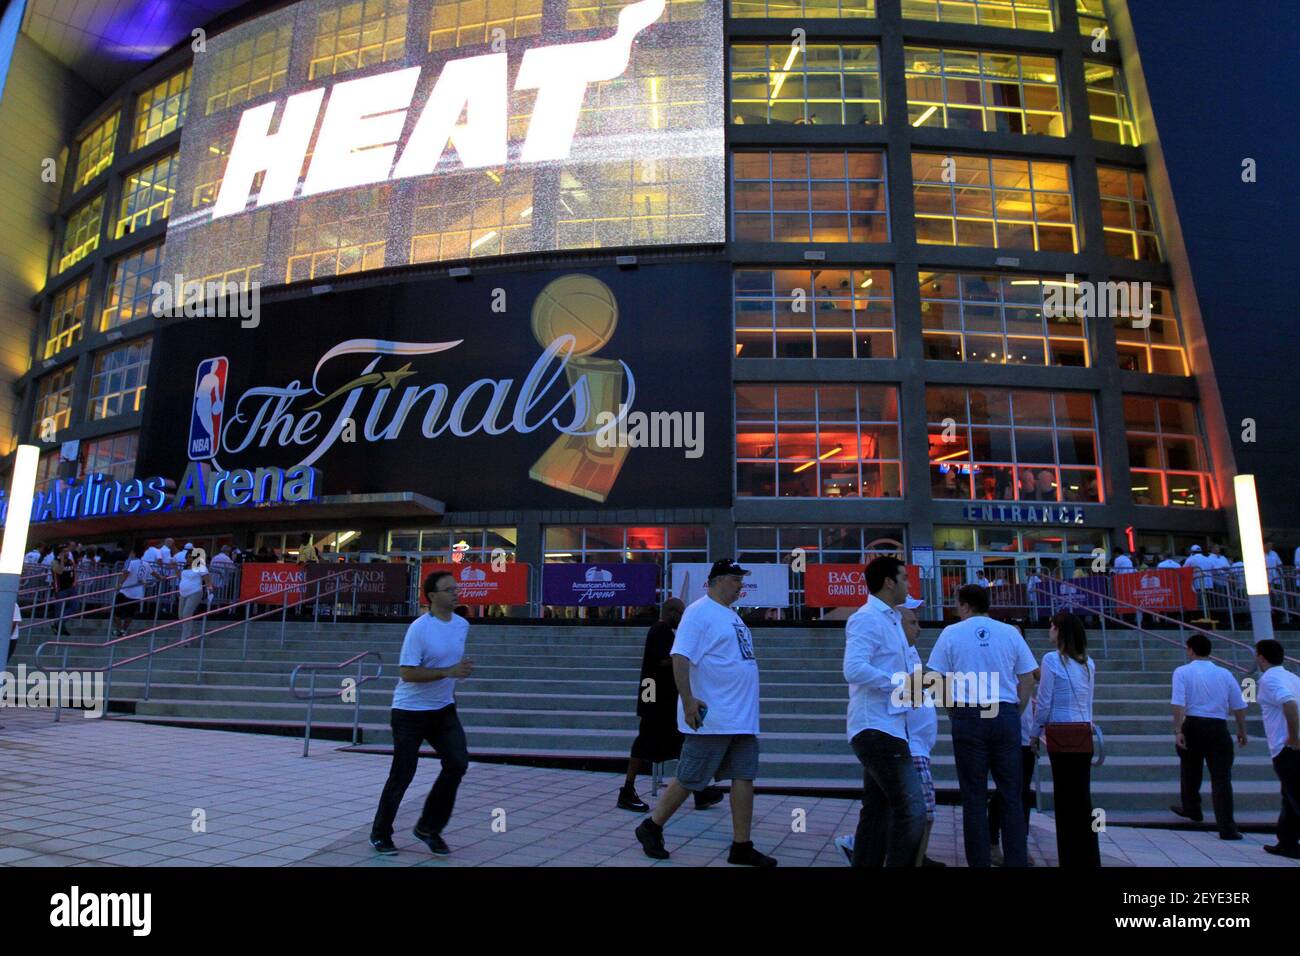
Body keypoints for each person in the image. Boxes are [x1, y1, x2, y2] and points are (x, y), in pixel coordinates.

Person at [633, 559, 776, 866]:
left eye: (742, 580)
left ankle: (741, 845)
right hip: (714, 715)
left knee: (744, 775)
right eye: (736, 579)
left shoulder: (731, 616)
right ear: (718, 580)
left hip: (742, 717)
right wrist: (687, 700)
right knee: (690, 777)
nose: (741, 585)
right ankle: (651, 826)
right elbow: (680, 656)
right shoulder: (699, 612)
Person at [927, 584, 1038, 867]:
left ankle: (979, 861)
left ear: (964, 605)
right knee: (1011, 794)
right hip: (1004, 714)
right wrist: (1016, 709)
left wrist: (951, 710)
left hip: (969, 715)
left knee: (973, 796)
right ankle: (1016, 861)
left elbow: (935, 678)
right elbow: (1028, 678)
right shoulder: (1009, 633)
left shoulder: (951, 633)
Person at [370, 571, 472, 856]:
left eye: (456, 588)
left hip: (443, 710)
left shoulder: (462, 625)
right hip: (409, 712)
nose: (456, 592)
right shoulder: (419, 628)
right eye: (449, 589)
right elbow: (407, 672)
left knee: (457, 763)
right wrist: (447, 672)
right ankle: (380, 833)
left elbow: (451, 665)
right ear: (432, 596)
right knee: (403, 773)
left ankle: (428, 827)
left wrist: (454, 681)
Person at [835, 558, 926, 867]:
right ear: (889, 582)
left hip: (889, 726)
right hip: (876, 729)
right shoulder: (867, 618)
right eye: (905, 578)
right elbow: (854, 668)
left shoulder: (891, 621)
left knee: (877, 812)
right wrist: (899, 684)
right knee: (913, 810)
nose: (909, 584)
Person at [617, 597, 724, 813]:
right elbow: (663, 661)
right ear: (672, 613)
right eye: (681, 614)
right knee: (647, 742)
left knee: (681, 743)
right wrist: (687, 657)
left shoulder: (662, 632)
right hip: (656, 699)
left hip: (658, 697)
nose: (684, 618)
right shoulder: (660, 631)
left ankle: (699, 792)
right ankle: (627, 790)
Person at [1031, 612, 1100, 866]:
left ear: (1060, 631)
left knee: (1065, 799)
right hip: (1082, 733)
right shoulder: (1087, 663)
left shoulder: (1051, 660)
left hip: (1060, 732)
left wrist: (1035, 732)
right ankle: (1089, 857)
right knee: (1083, 798)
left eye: (1052, 626)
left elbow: (1046, 701)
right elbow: (1089, 702)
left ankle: (1069, 857)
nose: (1049, 630)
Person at [1169, 634, 1246, 839]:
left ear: (1191, 650)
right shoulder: (1225, 673)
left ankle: (1192, 807)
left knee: (1190, 770)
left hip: (1193, 724)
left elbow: (1178, 703)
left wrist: (1178, 730)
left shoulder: (1182, 672)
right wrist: (1241, 730)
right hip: (1218, 726)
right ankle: (1227, 826)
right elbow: (1238, 705)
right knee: (1221, 778)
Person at [990, 623, 1039, 867]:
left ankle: (1021, 842)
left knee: (1022, 792)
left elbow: (1034, 694)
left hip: (1024, 735)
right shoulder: (998, 662)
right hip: (1004, 731)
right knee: (1004, 792)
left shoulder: (1026, 666)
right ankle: (993, 842)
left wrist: (1036, 732)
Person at [1254, 640, 1300, 859]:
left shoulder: (1270, 678)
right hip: (1289, 747)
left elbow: (1289, 704)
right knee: (1288, 796)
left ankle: (1288, 842)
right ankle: (1287, 842)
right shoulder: (1292, 677)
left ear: (1261, 657)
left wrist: (1293, 737)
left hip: (1287, 748)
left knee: (1295, 796)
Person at [177, 552, 212, 641]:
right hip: (183, 593)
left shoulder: (201, 567)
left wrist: (209, 586)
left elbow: (207, 578)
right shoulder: (185, 568)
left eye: (189, 557)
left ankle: (185, 639)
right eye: (187, 557)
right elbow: (182, 578)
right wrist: (174, 568)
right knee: (181, 615)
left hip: (195, 592)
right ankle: (190, 633)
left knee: (186, 613)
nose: (187, 559)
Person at [114, 547, 147, 637]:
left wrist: (119, 584)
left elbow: (126, 573)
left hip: (125, 590)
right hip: (137, 593)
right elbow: (151, 575)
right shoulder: (145, 564)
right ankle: (123, 630)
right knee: (130, 614)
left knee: (117, 612)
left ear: (133, 553)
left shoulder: (130, 562)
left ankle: (121, 629)